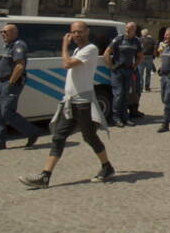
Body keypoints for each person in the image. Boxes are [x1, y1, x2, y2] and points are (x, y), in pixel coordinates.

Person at [19, 22, 114, 188]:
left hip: (83, 103)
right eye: (73, 32)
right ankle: (45, 176)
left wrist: (64, 45)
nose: (76, 35)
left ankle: (107, 167)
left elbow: (67, 64)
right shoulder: (78, 50)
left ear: (87, 32)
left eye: (80, 32)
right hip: (71, 102)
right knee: (58, 137)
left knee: (90, 137)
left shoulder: (90, 49)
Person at [0, 24, 43, 151]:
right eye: (2, 32)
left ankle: (32, 132)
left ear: (14, 33)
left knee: (7, 112)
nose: (3, 34)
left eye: (6, 32)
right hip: (1, 82)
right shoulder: (6, 45)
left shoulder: (18, 45)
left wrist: (11, 83)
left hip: (11, 83)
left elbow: (20, 66)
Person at [104, 22, 144, 128]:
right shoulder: (118, 39)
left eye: (130, 28)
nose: (127, 30)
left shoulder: (136, 41)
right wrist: (111, 66)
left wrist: (135, 66)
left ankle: (125, 118)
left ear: (134, 30)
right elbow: (107, 52)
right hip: (118, 71)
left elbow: (140, 56)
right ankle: (116, 118)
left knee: (126, 95)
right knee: (118, 95)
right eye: (126, 28)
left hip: (129, 71)